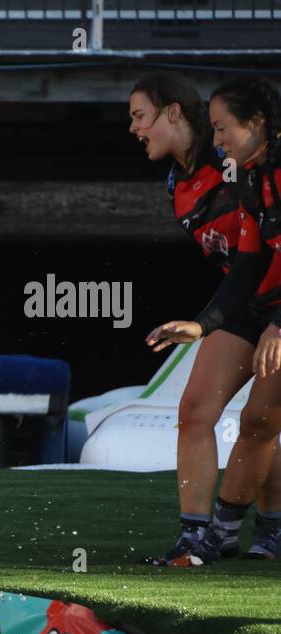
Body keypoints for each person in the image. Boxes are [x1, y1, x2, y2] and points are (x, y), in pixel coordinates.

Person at [134, 72, 281, 562]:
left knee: (261, 420)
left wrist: (278, 326)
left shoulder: (252, 172)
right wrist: (203, 323)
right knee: (196, 410)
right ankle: (197, 536)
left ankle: (233, 530)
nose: (219, 142)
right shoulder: (251, 176)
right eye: (214, 130)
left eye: (225, 129)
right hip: (251, 306)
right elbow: (249, 260)